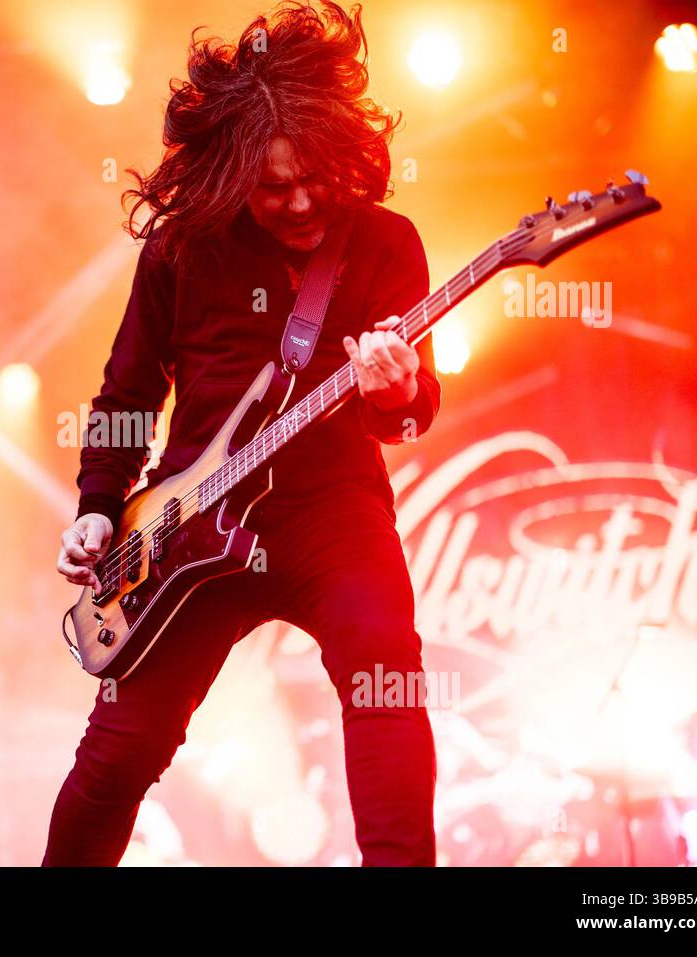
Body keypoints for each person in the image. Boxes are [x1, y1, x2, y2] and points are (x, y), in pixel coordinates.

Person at [48, 1, 440, 866]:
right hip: (184, 527)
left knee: (386, 674)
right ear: (228, 174)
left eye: (315, 178)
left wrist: (400, 385)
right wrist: (98, 505)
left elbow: (407, 415)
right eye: (272, 186)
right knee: (117, 756)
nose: (299, 200)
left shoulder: (384, 243)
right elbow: (127, 390)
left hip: (330, 512)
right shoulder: (183, 250)